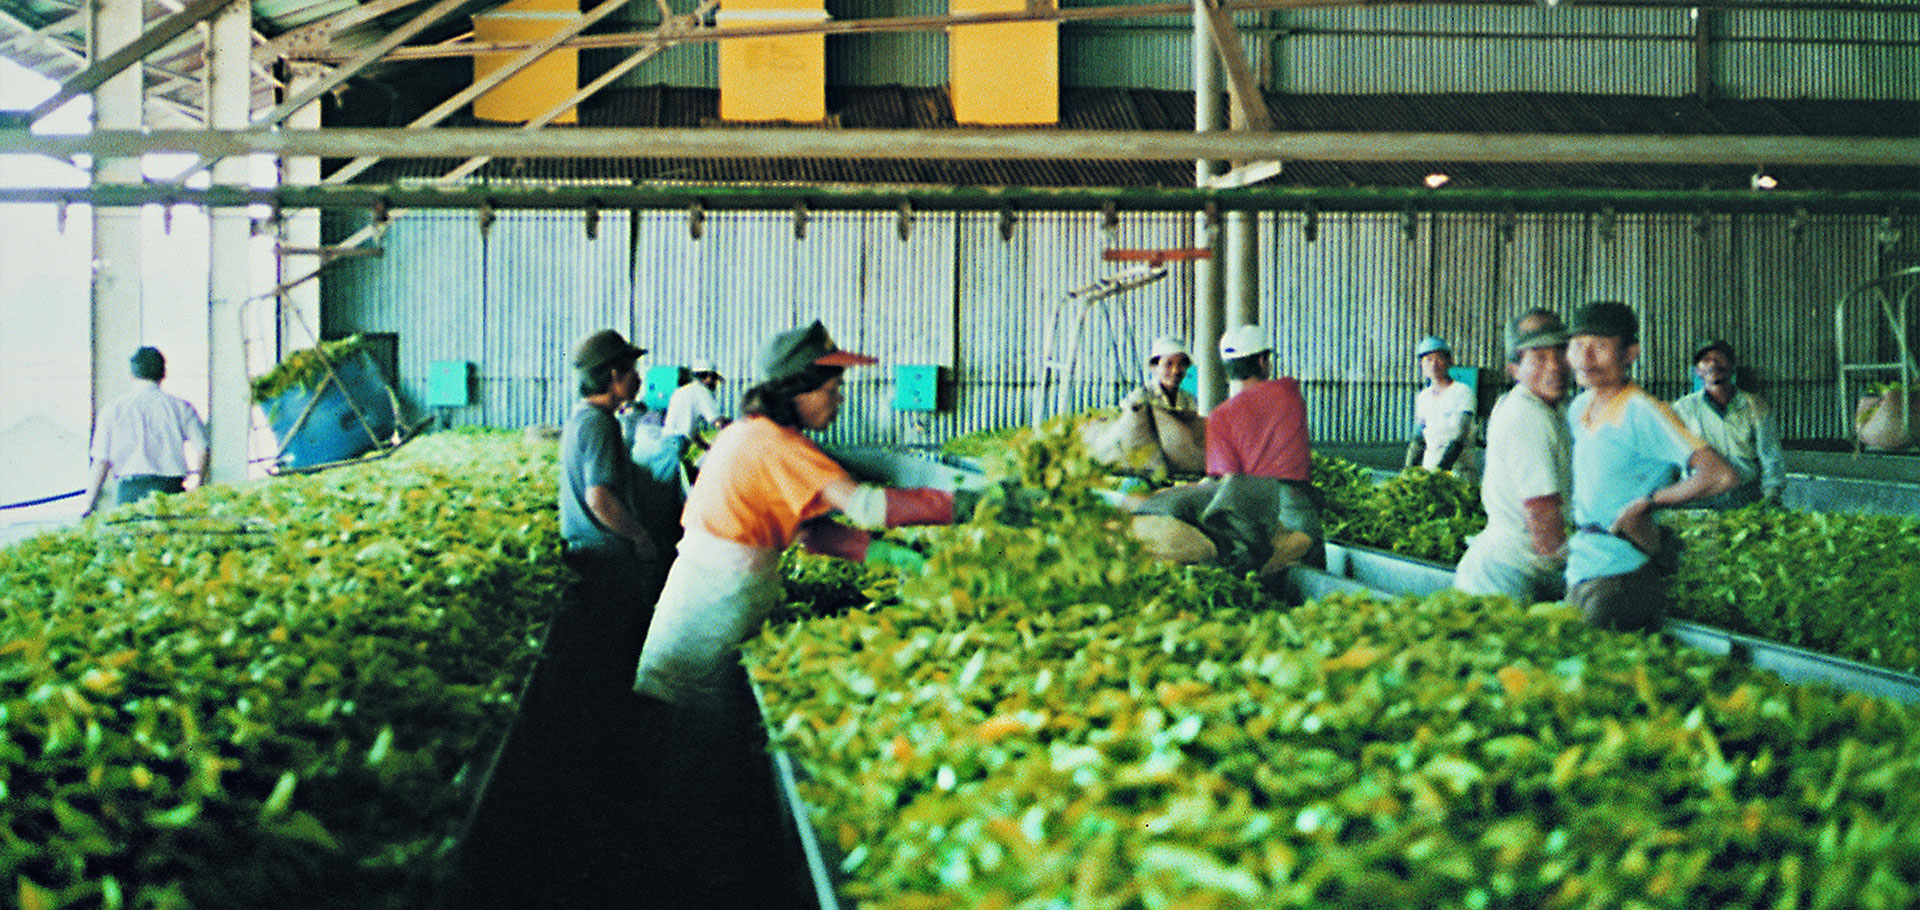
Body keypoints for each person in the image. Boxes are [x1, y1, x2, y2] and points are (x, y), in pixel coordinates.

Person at [634, 320, 960, 713]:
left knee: (690, 713)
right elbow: (866, 506)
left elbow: (809, 533)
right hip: (711, 608)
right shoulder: (774, 442)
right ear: (798, 390)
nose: (840, 400)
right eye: (833, 389)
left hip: (716, 598)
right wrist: (962, 504)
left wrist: (886, 555)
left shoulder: (753, 433)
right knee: (691, 724)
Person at [1564, 301, 1737, 630]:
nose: (1584, 358)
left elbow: (1720, 475)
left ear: (1631, 353)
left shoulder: (1642, 411)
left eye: (1599, 346)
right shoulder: (1579, 407)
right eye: (1576, 345)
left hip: (1621, 573)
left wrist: (1650, 501)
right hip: (1581, 564)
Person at [1131, 323, 1319, 578]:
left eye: (1181, 364)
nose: (1176, 371)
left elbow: (1221, 478)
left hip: (1243, 508)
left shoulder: (1218, 417)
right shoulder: (1289, 397)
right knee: (1309, 558)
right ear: (1264, 361)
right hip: (1288, 503)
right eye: (1168, 364)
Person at [556, 329, 672, 700]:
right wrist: (640, 535)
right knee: (616, 654)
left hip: (590, 554)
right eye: (633, 370)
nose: (640, 378)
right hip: (606, 559)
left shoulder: (583, 418)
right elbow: (599, 497)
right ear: (614, 376)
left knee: (602, 655)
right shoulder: (598, 423)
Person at [1454, 310, 1573, 602]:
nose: (1555, 366)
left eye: (1561, 353)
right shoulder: (1528, 415)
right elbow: (1542, 515)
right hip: (1507, 576)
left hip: (1515, 568)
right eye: (1539, 357)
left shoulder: (1551, 408)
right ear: (1514, 369)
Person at [81, 346, 209, 517]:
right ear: (163, 374)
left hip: (129, 492)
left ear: (131, 375)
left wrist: (89, 503)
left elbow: (101, 461)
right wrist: (198, 483)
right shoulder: (181, 407)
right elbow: (203, 448)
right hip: (170, 491)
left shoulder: (113, 410)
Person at [1671, 339, 1785, 508]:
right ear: (1697, 371)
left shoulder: (1756, 406)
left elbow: (1770, 455)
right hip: (1698, 497)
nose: (1713, 364)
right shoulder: (1683, 409)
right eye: (1706, 360)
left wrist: (1771, 495)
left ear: (1732, 367)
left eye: (1719, 358)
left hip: (1745, 497)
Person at [640, 358, 728, 487]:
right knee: (668, 489)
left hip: (669, 443)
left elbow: (691, 432)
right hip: (676, 444)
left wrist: (708, 447)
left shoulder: (682, 391)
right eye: (714, 380)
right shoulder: (701, 391)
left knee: (672, 486)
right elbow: (717, 422)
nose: (715, 385)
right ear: (709, 377)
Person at [1404, 335, 1475, 471]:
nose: (1434, 364)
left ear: (1449, 361)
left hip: (1457, 469)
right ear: (1422, 365)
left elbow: (1460, 437)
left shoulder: (1463, 392)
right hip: (1430, 466)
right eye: (1428, 360)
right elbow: (1418, 437)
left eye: (1439, 358)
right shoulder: (1423, 397)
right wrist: (1407, 469)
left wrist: (1441, 470)